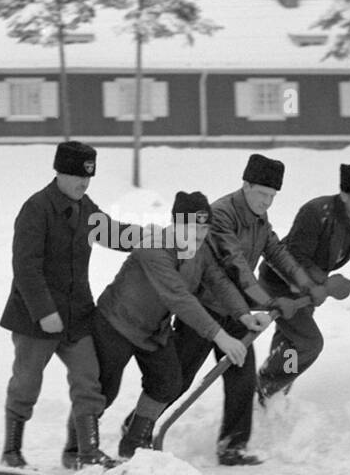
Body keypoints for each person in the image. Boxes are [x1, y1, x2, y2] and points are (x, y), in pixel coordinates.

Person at [0, 139, 152, 471]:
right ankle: (11, 450)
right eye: (77, 176)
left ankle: (84, 452)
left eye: (89, 178)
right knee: (26, 382)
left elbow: (114, 233)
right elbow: (25, 266)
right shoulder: (36, 208)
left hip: (76, 315)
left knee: (88, 380)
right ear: (59, 173)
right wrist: (45, 312)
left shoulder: (85, 208)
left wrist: (153, 238)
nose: (83, 183)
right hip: (34, 318)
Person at [171, 153, 328, 466]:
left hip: (237, 312)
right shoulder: (220, 215)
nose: (267, 202)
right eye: (262, 194)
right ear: (246, 185)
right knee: (177, 378)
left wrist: (305, 283)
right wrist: (268, 302)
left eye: (272, 196)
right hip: (204, 309)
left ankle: (233, 446)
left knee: (241, 379)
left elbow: (276, 251)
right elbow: (236, 265)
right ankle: (138, 429)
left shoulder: (259, 220)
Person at [92, 191, 270, 459]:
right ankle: (80, 448)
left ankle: (135, 441)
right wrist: (220, 336)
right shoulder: (154, 245)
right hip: (118, 323)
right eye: (191, 228)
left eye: (203, 228)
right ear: (175, 224)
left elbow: (218, 280)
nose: (198, 235)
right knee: (104, 389)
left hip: (152, 331)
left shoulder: (199, 249)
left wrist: (244, 315)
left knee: (169, 381)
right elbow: (178, 297)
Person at [256, 161, 350, 404]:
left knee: (292, 341)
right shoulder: (317, 212)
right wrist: (326, 282)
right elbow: (295, 258)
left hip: (313, 289)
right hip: (281, 282)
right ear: (344, 195)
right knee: (308, 342)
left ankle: (274, 393)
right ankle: (267, 385)